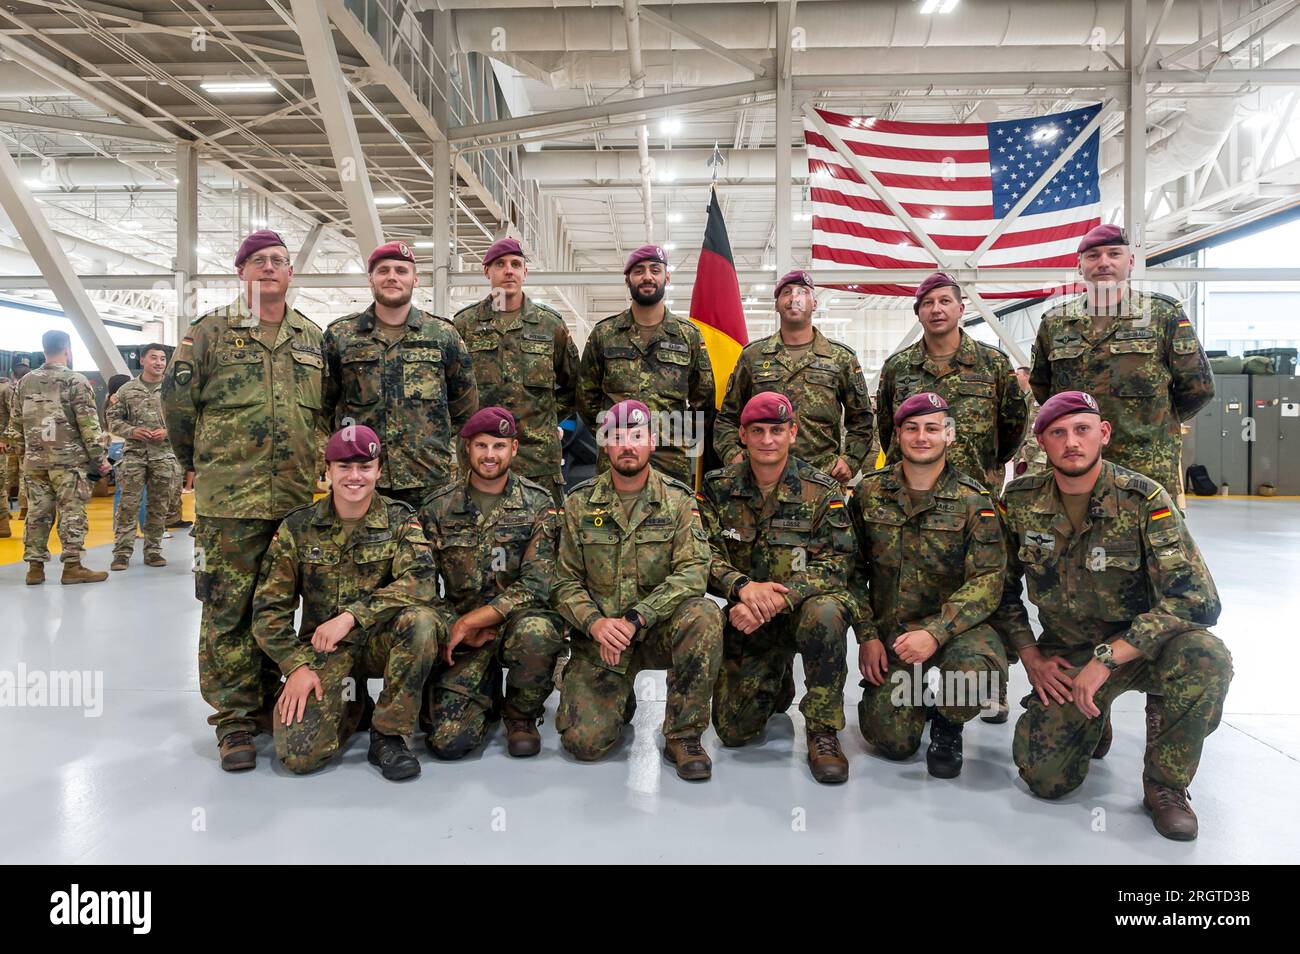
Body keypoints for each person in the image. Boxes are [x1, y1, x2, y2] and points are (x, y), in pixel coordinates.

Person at [992, 390, 1232, 840]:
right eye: (1057, 433)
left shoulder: (1144, 500)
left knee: (1206, 657)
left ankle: (1166, 784)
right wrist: (1031, 656)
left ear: (1103, 433)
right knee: (1047, 780)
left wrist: (1107, 659)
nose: (1072, 442)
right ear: (1041, 443)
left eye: (1082, 429)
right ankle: (1092, 719)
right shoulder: (1020, 501)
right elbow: (1000, 591)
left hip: (1144, 647)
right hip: (1067, 652)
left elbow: (1198, 598)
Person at [163, 228, 328, 772]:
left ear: (290, 273)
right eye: (258, 261)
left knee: (279, 608)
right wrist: (203, 464)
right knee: (227, 612)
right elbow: (178, 411)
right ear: (241, 272)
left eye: (279, 260)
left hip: (293, 504)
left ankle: (266, 703)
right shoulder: (208, 333)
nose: (270, 268)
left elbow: (323, 416)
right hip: (228, 504)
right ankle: (234, 722)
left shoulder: (311, 339)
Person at [251, 425, 439, 780]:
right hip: (326, 651)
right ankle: (353, 705)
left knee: (423, 622)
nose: (355, 477)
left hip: (383, 641)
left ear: (379, 470)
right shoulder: (299, 527)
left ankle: (388, 735)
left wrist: (353, 616)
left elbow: (421, 582)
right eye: (344, 467)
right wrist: (295, 666)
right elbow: (268, 611)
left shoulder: (400, 520)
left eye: (365, 467)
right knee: (299, 756)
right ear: (328, 471)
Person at [552, 399, 724, 779]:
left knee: (703, 614)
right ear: (604, 442)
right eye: (616, 436)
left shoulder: (678, 501)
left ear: (653, 440)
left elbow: (694, 571)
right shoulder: (579, 504)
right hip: (604, 639)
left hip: (655, 629)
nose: (627, 444)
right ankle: (615, 694)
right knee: (585, 744)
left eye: (636, 435)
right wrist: (595, 623)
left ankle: (684, 733)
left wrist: (637, 617)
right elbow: (564, 581)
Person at [699, 391, 856, 783]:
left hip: (798, 611)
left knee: (828, 612)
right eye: (758, 431)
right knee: (734, 731)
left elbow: (837, 563)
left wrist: (773, 600)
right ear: (743, 435)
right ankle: (777, 678)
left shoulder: (821, 491)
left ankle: (822, 730)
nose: (768, 440)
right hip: (746, 614)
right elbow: (701, 555)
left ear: (793, 432)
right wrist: (742, 587)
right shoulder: (718, 489)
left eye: (777, 430)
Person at [850, 393, 1008, 778]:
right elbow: (849, 568)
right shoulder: (870, 493)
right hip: (896, 634)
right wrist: (868, 635)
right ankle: (916, 696)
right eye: (912, 428)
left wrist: (935, 633)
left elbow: (988, 580)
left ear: (949, 436)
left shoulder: (974, 500)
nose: (922, 437)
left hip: (957, 632)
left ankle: (948, 720)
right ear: (898, 435)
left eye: (932, 428)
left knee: (973, 678)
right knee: (892, 740)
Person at [418, 406, 566, 759]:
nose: (489, 455)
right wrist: (454, 624)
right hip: (462, 636)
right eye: (481, 446)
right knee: (447, 743)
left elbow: (538, 583)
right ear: (466, 448)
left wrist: (477, 618)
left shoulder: (538, 504)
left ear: (514, 449)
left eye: (499, 446)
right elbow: (419, 582)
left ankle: (520, 714)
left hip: (515, 624)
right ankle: (481, 697)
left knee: (539, 632)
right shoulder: (437, 509)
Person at [1029, 224, 1214, 506]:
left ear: (1130, 262)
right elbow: (1044, 389)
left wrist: (1155, 425)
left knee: (1148, 547)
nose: (1103, 262)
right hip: (1075, 468)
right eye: (1093, 256)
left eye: (1113, 254)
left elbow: (1198, 387)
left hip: (1144, 468)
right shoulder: (1055, 323)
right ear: (1080, 266)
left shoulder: (1163, 315)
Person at [322, 241, 478, 506]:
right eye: (383, 270)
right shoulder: (340, 336)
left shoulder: (442, 335)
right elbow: (322, 409)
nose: (392, 277)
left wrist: (446, 456)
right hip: (364, 479)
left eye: (401, 270)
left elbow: (465, 408)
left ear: (415, 279)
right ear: (370, 278)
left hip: (430, 481)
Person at [715, 270, 874, 484]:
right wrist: (731, 454)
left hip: (821, 478)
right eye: (786, 292)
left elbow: (862, 420)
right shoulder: (753, 356)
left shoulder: (840, 357)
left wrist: (850, 460)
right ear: (777, 304)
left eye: (803, 292)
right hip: (760, 478)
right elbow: (727, 417)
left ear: (814, 303)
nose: (794, 298)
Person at [875, 271, 1027, 492]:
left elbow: (1013, 430)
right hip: (909, 495)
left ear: (961, 309)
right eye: (928, 303)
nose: (936, 309)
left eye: (945, 301)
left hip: (974, 494)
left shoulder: (993, 364)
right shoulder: (897, 367)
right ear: (918, 313)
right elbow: (888, 430)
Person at [453, 238, 579, 503]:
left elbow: (573, 386)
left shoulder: (550, 325)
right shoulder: (464, 325)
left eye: (515, 264)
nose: (508, 270)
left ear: (525, 272)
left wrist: (544, 424)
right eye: (500, 264)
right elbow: (450, 389)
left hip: (537, 461)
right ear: (487, 271)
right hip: (480, 460)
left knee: (544, 537)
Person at [576, 245, 715, 485]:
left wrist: (676, 436)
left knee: (672, 521)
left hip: (670, 459)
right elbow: (585, 396)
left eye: (655, 270)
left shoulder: (687, 336)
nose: (648, 276)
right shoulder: (604, 334)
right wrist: (612, 435)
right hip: (617, 457)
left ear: (666, 277)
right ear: (628, 279)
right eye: (639, 271)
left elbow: (704, 398)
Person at [2, 331, 111, 584]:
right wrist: (100, 460)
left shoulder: (25, 382)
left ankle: (35, 568)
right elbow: (89, 427)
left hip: (34, 462)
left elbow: (14, 427)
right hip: (68, 463)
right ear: (67, 349)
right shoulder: (76, 381)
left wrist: (27, 453)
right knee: (71, 511)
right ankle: (72, 566)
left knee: (37, 513)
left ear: (43, 350)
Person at [106, 344, 178, 570]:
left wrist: (168, 431)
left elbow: (186, 419)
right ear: (142, 361)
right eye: (154, 358)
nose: (159, 362)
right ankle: (121, 554)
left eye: (162, 359)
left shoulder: (174, 389)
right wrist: (132, 431)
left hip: (164, 456)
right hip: (134, 456)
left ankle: (153, 551)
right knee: (128, 505)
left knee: (159, 506)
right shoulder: (126, 391)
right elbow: (113, 420)